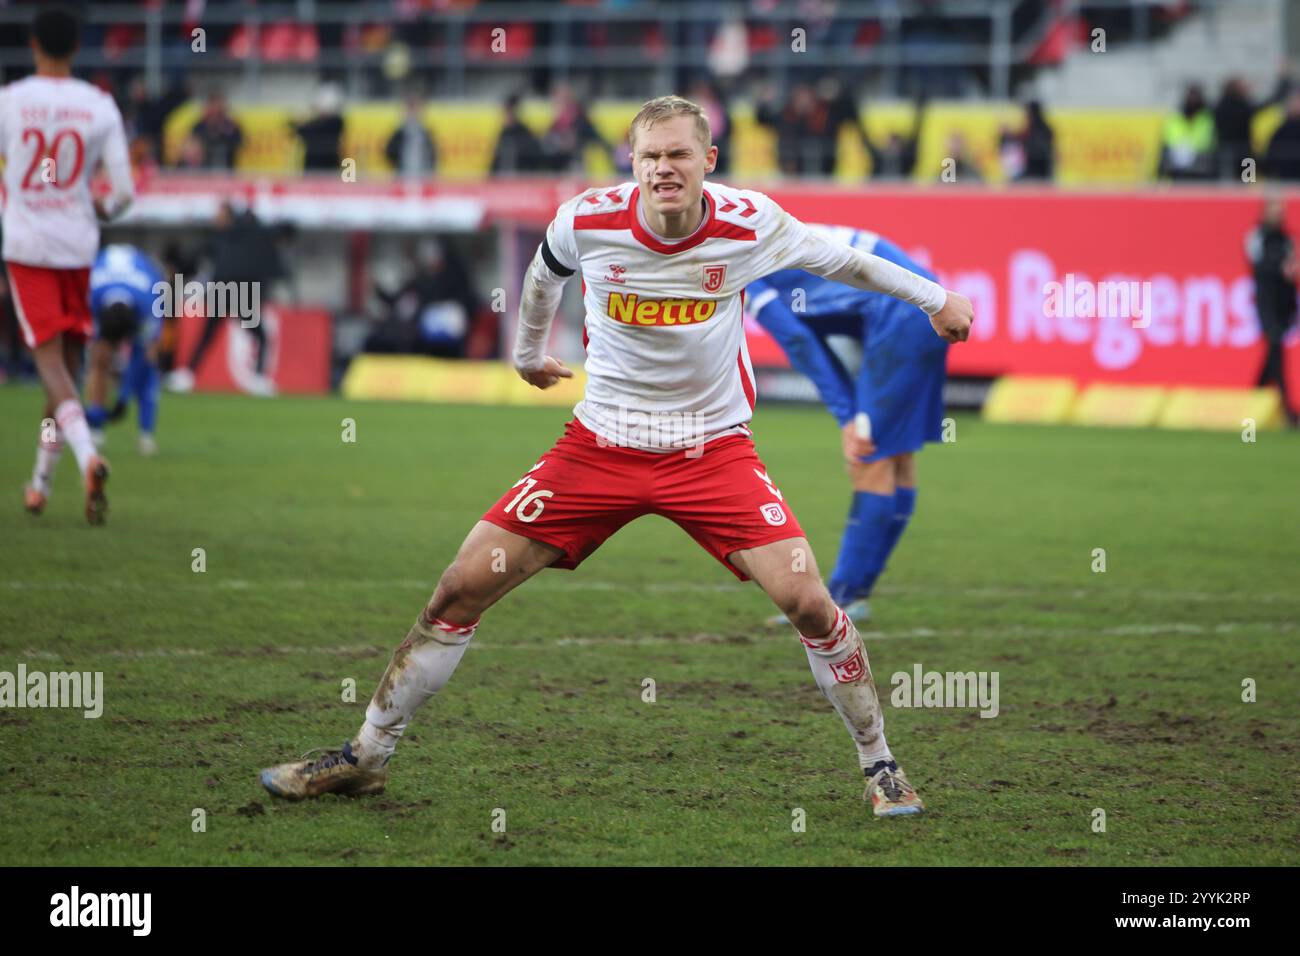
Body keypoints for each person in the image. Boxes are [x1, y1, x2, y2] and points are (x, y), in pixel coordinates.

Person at [260, 95, 974, 819]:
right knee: (458, 588)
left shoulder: (751, 224)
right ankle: (365, 757)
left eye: (679, 155)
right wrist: (528, 351)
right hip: (599, 448)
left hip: (712, 453)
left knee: (809, 603)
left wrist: (934, 297)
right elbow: (542, 275)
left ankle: (880, 764)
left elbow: (849, 264)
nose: (664, 169)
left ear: (707, 162)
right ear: (632, 164)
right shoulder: (587, 220)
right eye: (650, 157)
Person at [747, 226, 949, 625]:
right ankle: (856, 590)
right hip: (927, 303)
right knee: (896, 458)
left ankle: (844, 596)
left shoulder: (742, 263)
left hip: (899, 317)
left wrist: (847, 417)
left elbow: (798, 341)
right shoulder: (770, 229)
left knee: (868, 456)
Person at [3, 6, 134, 523]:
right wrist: (100, 207)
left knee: (51, 367)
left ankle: (89, 456)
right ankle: (39, 482)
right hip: (78, 246)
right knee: (65, 375)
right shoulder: (98, 105)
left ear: (33, 45)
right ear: (78, 49)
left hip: (29, 246)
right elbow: (123, 191)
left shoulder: (10, 102)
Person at [165, 200, 285, 396]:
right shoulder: (220, 237)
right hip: (225, 291)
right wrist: (179, 264)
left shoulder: (243, 234)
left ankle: (258, 378)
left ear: (229, 216)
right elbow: (196, 256)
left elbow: (271, 240)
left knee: (255, 336)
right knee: (210, 336)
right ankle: (188, 375)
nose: (215, 219)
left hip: (239, 292)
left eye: (219, 215)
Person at [85, 244, 165, 456]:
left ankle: (146, 434)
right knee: (100, 360)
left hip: (143, 282)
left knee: (148, 367)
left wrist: (124, 395)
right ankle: (96, 424)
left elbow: (150, 352)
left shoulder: (152, 297)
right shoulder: (89, 293)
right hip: (108, 291)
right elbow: (97, 352)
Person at [1245, 197, 1298, 425]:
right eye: (1274, 211)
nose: (1279, 215)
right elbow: (1258, 265)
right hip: (1265, 302)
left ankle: (1252, 399)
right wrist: (1281, 267)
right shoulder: (1257, 237)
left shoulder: (1287, 239)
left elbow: (1293, 265)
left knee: (1273, 351)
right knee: (1275, 345)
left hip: (1284, 303)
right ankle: (1287, 408)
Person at [1158, 84, 1216, 181]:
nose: (1193, 101)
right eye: (1191, 97)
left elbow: (1209, 141)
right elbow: (1168, 139)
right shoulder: (1176, 116)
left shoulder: (1207, 117)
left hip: (1201, 163)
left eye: (1195, 97)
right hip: (1177, 164)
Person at [490, 93, 548, 174]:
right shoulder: (504, 132)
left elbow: (534, 155)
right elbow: (496, 160)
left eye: (509, 111)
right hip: (503, 177)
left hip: (521, 176)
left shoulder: (523, 131)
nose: (506, 115)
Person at [384, 94, 436, 180]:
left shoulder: (425, 133)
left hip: (422, 177)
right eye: (410, 109)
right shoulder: (399, 133)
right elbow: (389, 152)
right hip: (402, 176)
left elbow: (433, 156)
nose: (413, 113)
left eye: (415, 109)